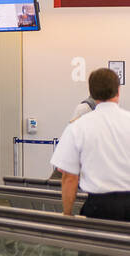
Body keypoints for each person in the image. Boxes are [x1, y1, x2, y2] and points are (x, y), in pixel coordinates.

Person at [51, 68, 130, 220]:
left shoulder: (78, 127)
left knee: (98, 243)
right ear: (118, 91)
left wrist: (67, 214)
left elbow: (69, 177)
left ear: (92, 93)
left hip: (99, 207)